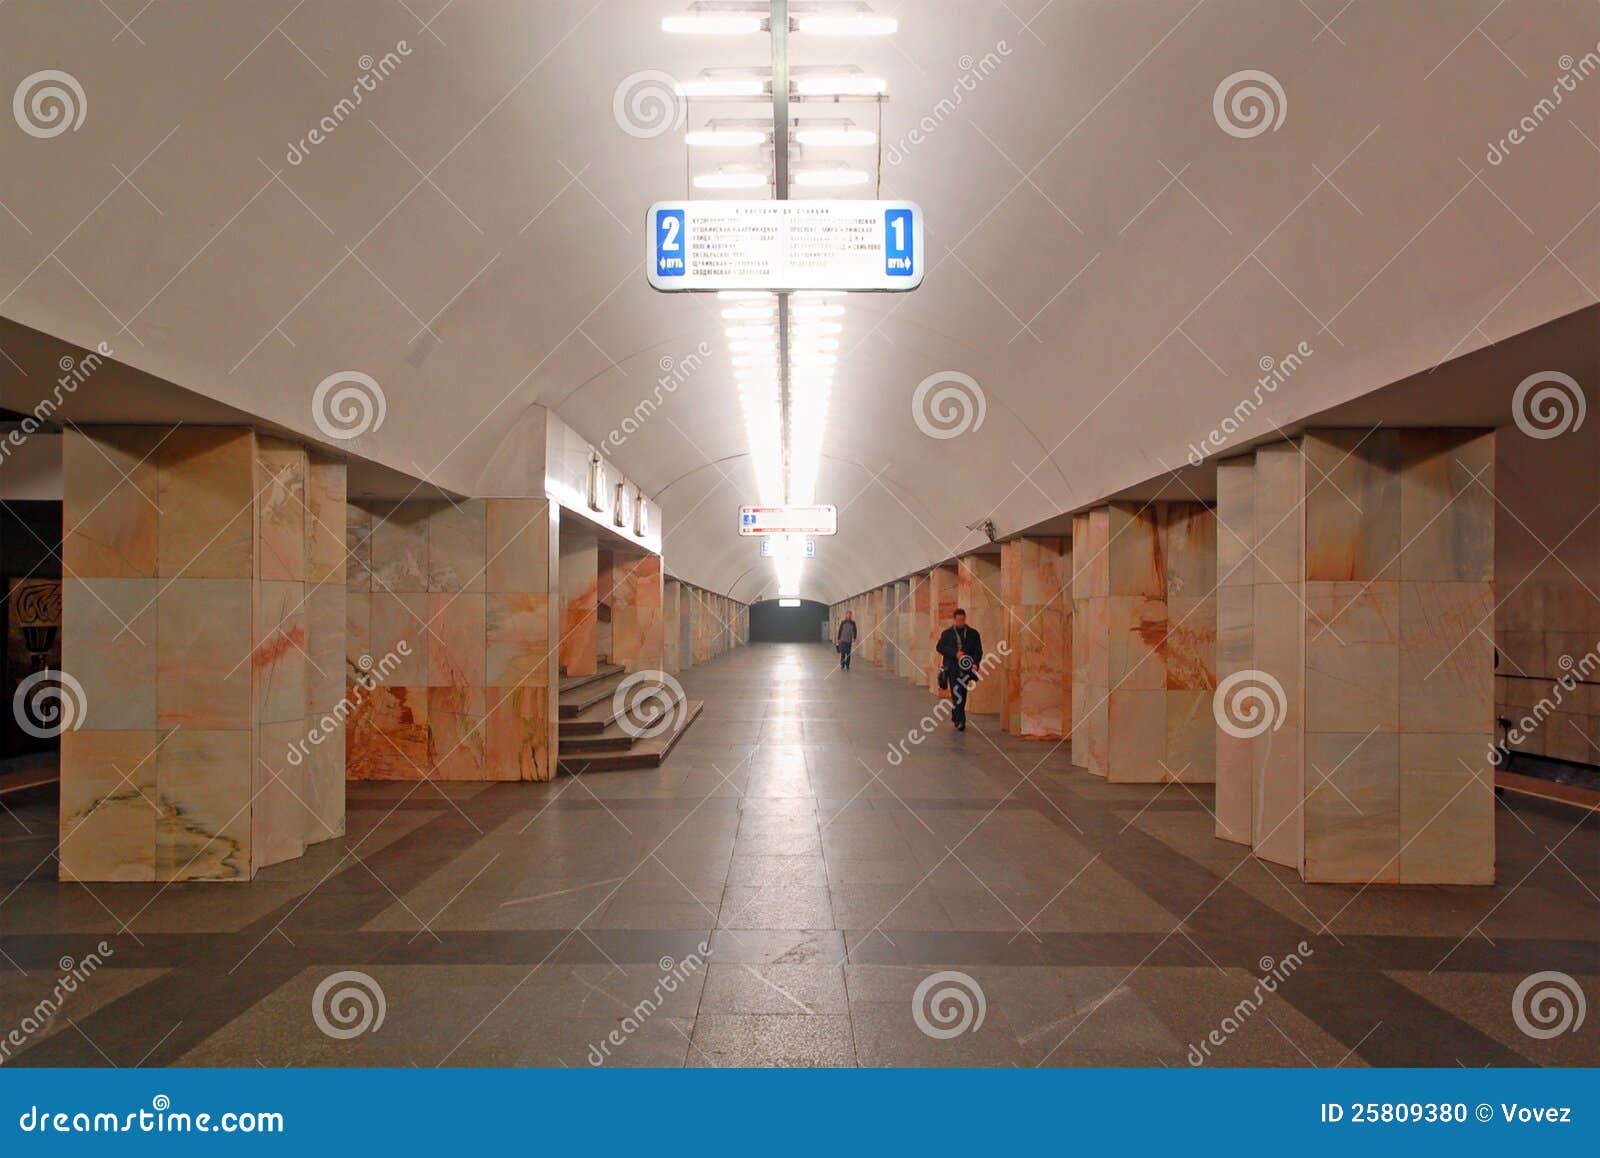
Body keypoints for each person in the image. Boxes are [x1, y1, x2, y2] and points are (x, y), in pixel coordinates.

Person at [936, 607, 984, 732]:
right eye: (958, 620)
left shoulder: (973, 634)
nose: (960, 622)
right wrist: (955, 653)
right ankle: (960, 721)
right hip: (952, 669)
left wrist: (975, 664)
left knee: (962, 693)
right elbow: (940, 647)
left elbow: (978, 651)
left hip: (967, 670)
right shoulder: (947, 634)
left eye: (962, 620)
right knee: (957, 693)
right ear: (954, 620)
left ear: (965, 619)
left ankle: (956, 713)